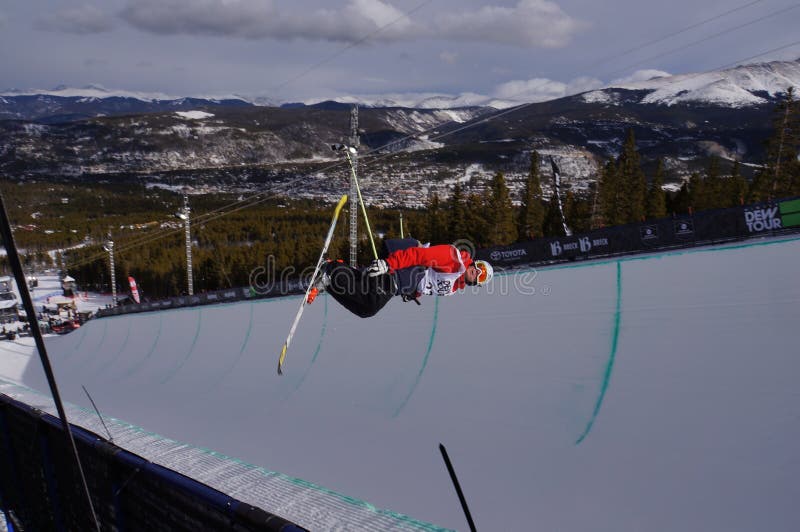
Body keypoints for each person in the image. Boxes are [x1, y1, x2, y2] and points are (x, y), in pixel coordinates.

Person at [307, 239, 493, 318]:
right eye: (481, 268)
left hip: (404, 283)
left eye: (482, 276)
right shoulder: (454, 259)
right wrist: (389, 264)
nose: (478, 272)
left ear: (478, 283)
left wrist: (414, 293)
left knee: (365, 310)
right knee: (372, 301)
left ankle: (329, 281)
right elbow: (419, 255)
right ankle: (331, 269)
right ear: (475, 262)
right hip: (402, 268)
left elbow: (428, 282)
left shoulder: (453, 288)